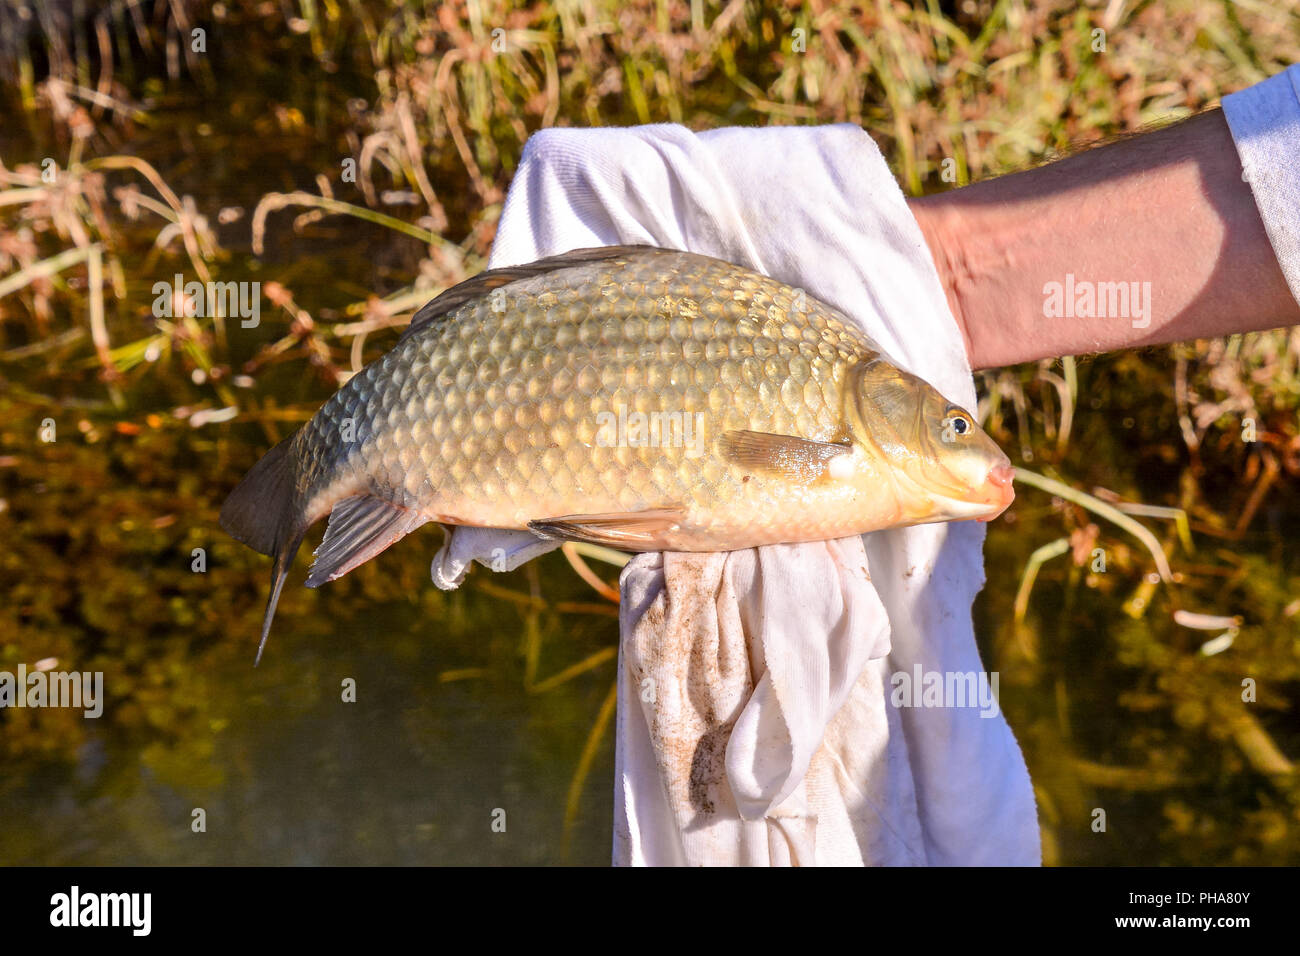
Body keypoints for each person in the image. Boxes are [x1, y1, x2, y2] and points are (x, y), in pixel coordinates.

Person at [432, 65, 1300, 865]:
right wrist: (939, 281)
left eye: (958, 427)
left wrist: (941, 283)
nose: (974, 447)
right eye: (956, 426)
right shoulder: (855, 390)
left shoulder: (865, 417)